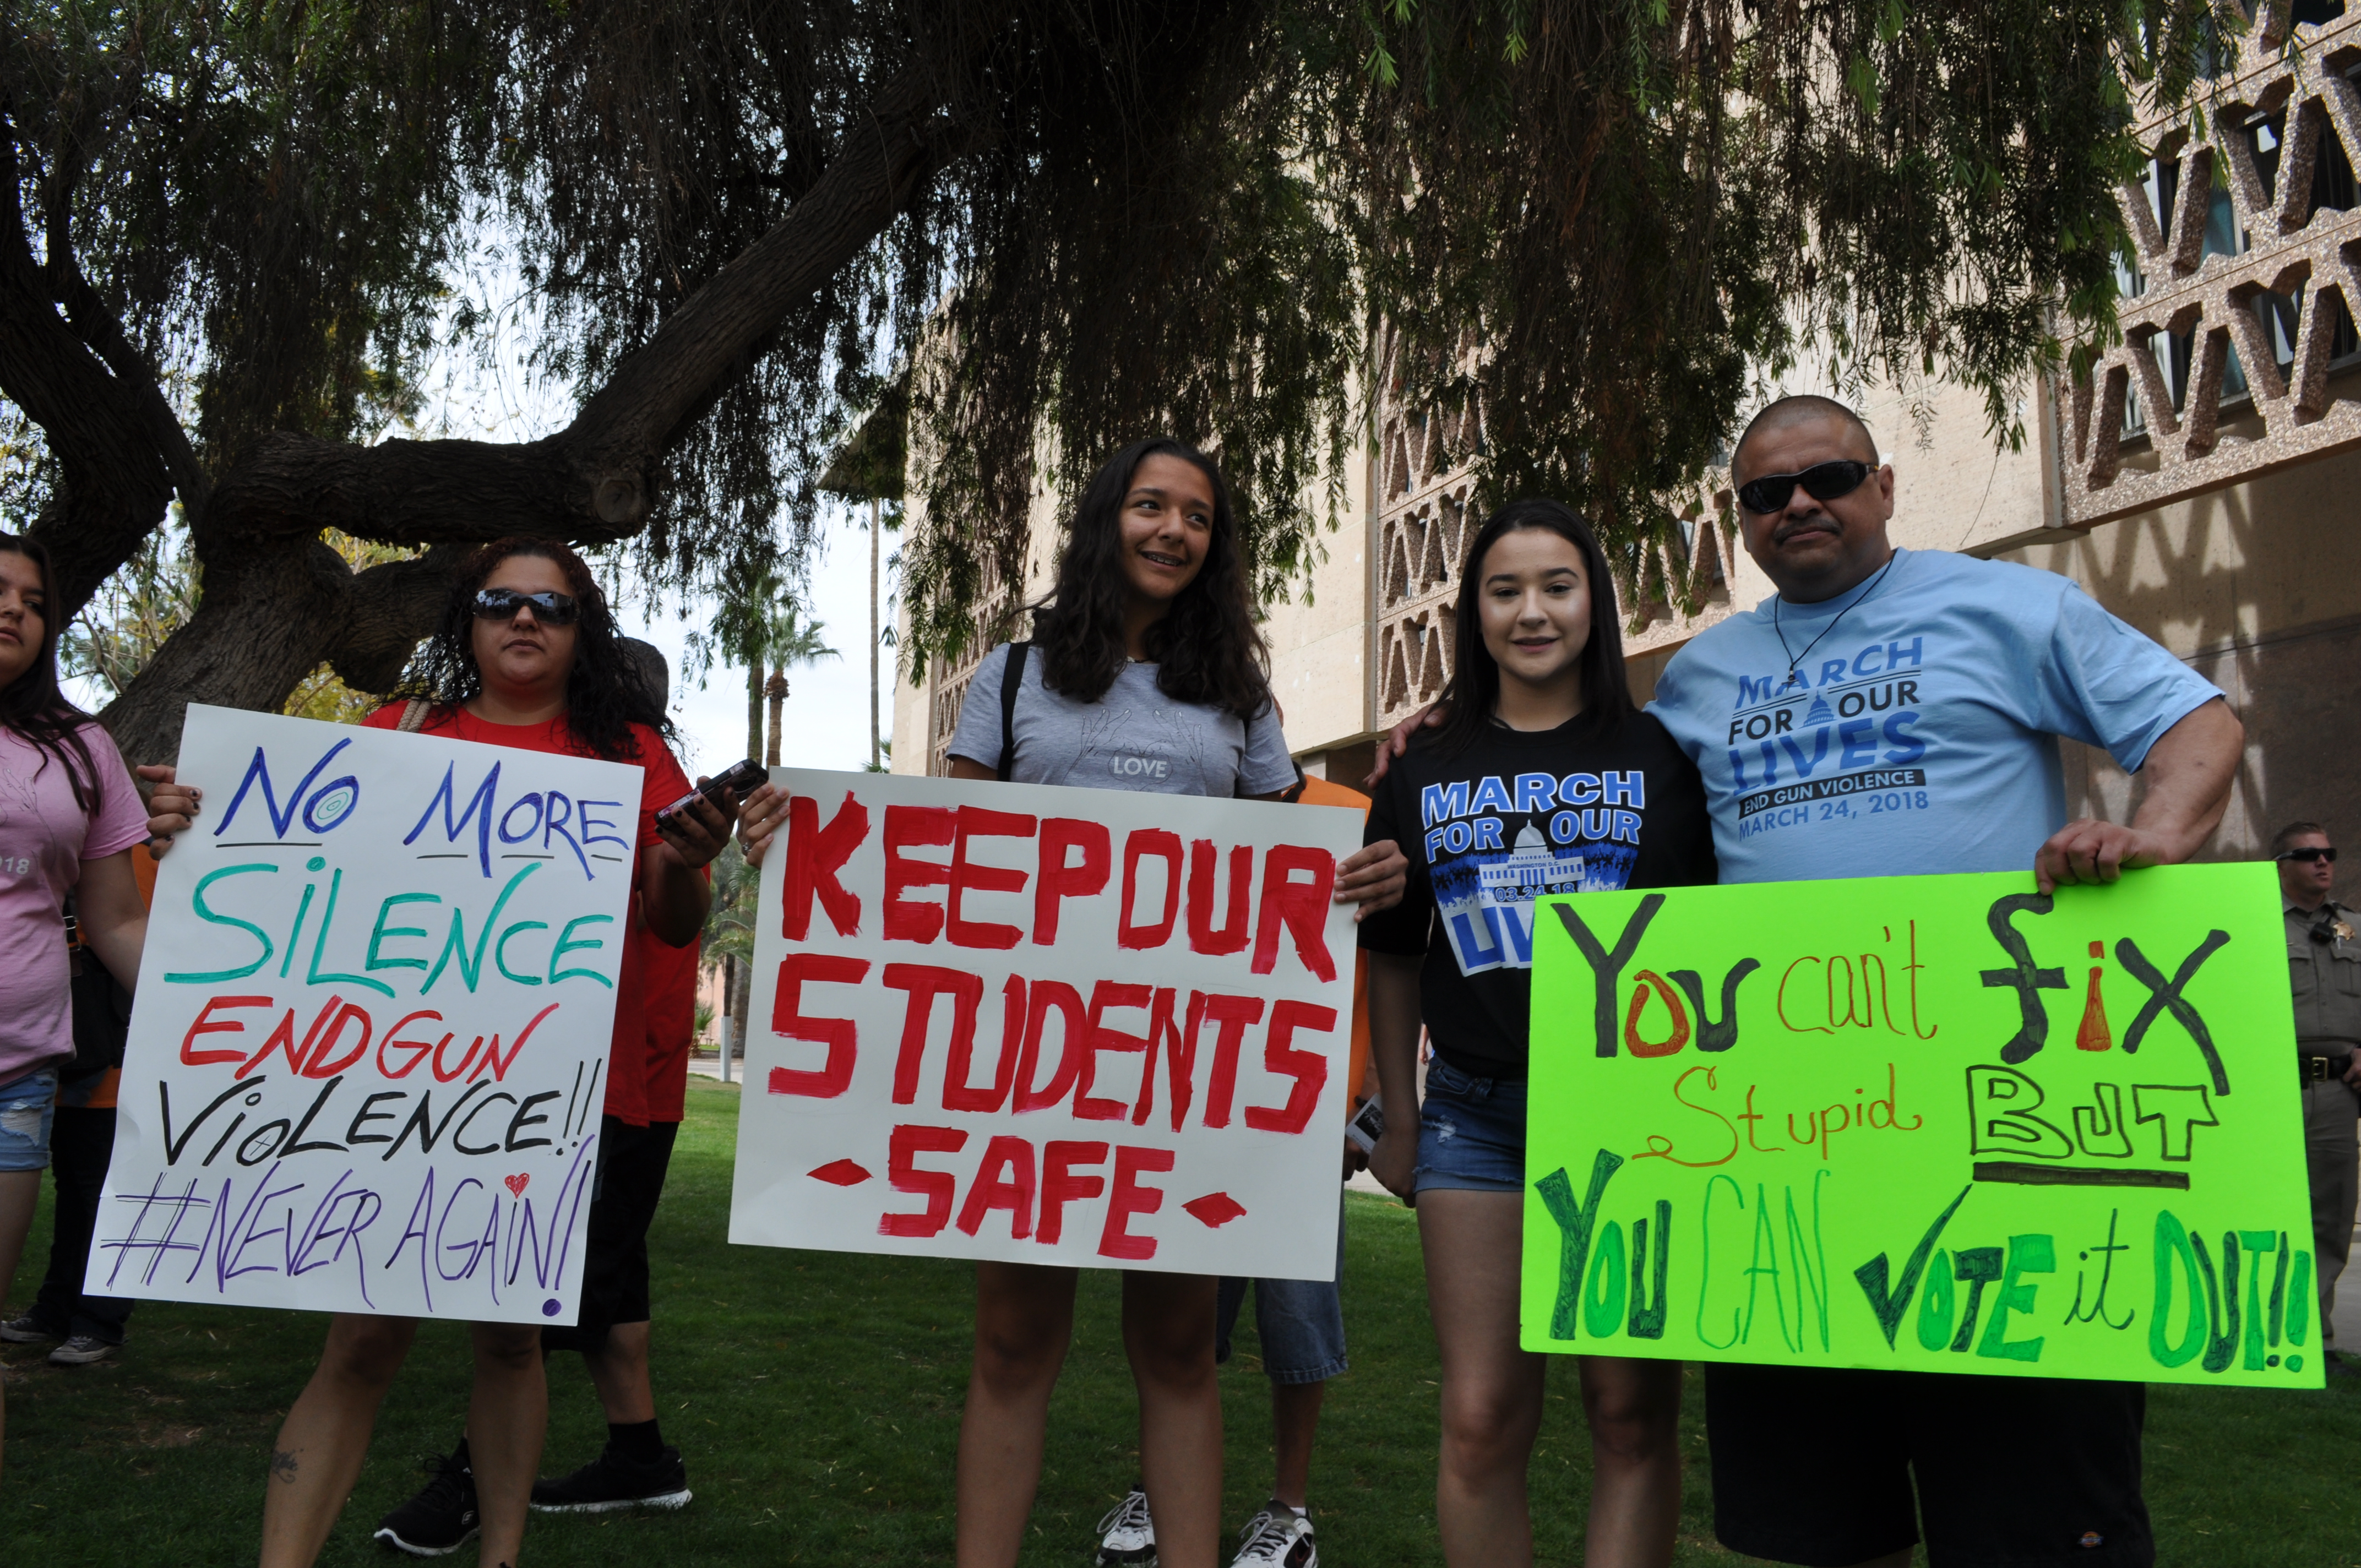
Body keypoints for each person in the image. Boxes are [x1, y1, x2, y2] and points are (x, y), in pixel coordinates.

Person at [1372, 393, 2243, 1568]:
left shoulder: (2006, 605)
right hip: (1777, 1138)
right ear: (1740, 523)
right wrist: (1451, 739)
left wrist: (2151, 840)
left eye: (1825, 478)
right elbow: (1574, 781)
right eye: (1763, 494)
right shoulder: (1696, 678)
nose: (1797, 505)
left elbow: (2193, 720)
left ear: (1882, 485)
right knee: (1815, 1517)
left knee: (2032, 1505)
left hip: (1992, 1115)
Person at [738, 437, 1407, 1568]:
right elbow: (938, 863)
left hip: (1177, 1080)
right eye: (1150, 505)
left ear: (1214, 544)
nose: (1172, 529)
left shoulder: (1237, 700)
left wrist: (1363, 873)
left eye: (1196, 515)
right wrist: (805, 845)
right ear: (1105, 520)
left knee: (1180, 1349)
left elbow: (1285, 873)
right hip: (1028, 1085)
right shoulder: (1010, 677)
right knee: (1009, 1344)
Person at [144, 537, 737, 1567]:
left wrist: (688, 860)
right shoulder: (396, 730)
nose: (524, 619)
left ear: (579, 628)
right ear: (466, 618)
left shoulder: (630, 755)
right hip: (388, 1088)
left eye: (550, 607)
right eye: (501, 600)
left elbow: (675, 917)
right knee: (361, 1337)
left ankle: (499, 1556)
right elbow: (286, 874)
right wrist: (195, 822)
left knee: (511, 1337)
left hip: (539, 1099)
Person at [1354, 498, 1712, 1568]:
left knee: (1627, 1415)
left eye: (1556, 584)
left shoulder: (1662, 757)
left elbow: (1708, 943)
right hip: (1475, 1117)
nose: (1531, 611)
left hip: (1636, 1120)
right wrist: (1401, 1120)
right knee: (1477, 1416)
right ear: (1473, 613)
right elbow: (1394, 954)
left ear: (1594, 602)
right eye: (1502, 590)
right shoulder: (1418, 773)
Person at [368, 641, 706, 1551]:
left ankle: (473, 1479)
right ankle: (639, 1455)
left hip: (610, 1080)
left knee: (538, 1288)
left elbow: (670, 922)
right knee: (605, 1274)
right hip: (586, 1073)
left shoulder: (634, 785)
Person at [1098, 760, 1379, 1568]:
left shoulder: (1351, 814)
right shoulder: (1174, 811)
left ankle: (1289, 1510)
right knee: (1174, 1331)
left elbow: (1398, 961)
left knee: (1298, 1327)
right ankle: (1161, 1488)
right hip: (1188, 1130)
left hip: (1307, 1135)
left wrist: (1373, 1112)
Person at [0, 532, 155, 1476]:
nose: (14, 607)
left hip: (12, 1076)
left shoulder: (81, 748)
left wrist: (238, 1025)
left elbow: (118, 922)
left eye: (33, 598)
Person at [0, 843, 155, 1367]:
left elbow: (135, 929)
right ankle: (55, 1308)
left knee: (97, 1188)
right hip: (51, 1055)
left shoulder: (132, 854)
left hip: (104, 1053)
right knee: (71, 1182)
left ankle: (100, 1319)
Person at [2275, 820, 2361, 1364]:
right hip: (2272, 1089)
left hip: (2334, 1091)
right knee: (2269, 1209)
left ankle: (2316, 1341)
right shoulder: (2254, 926)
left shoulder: (2352, 928)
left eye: (2327, 853)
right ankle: (2261, 1330)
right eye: (2308, 855)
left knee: (2329, 1215)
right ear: (2281, 864)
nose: (2322, 863)